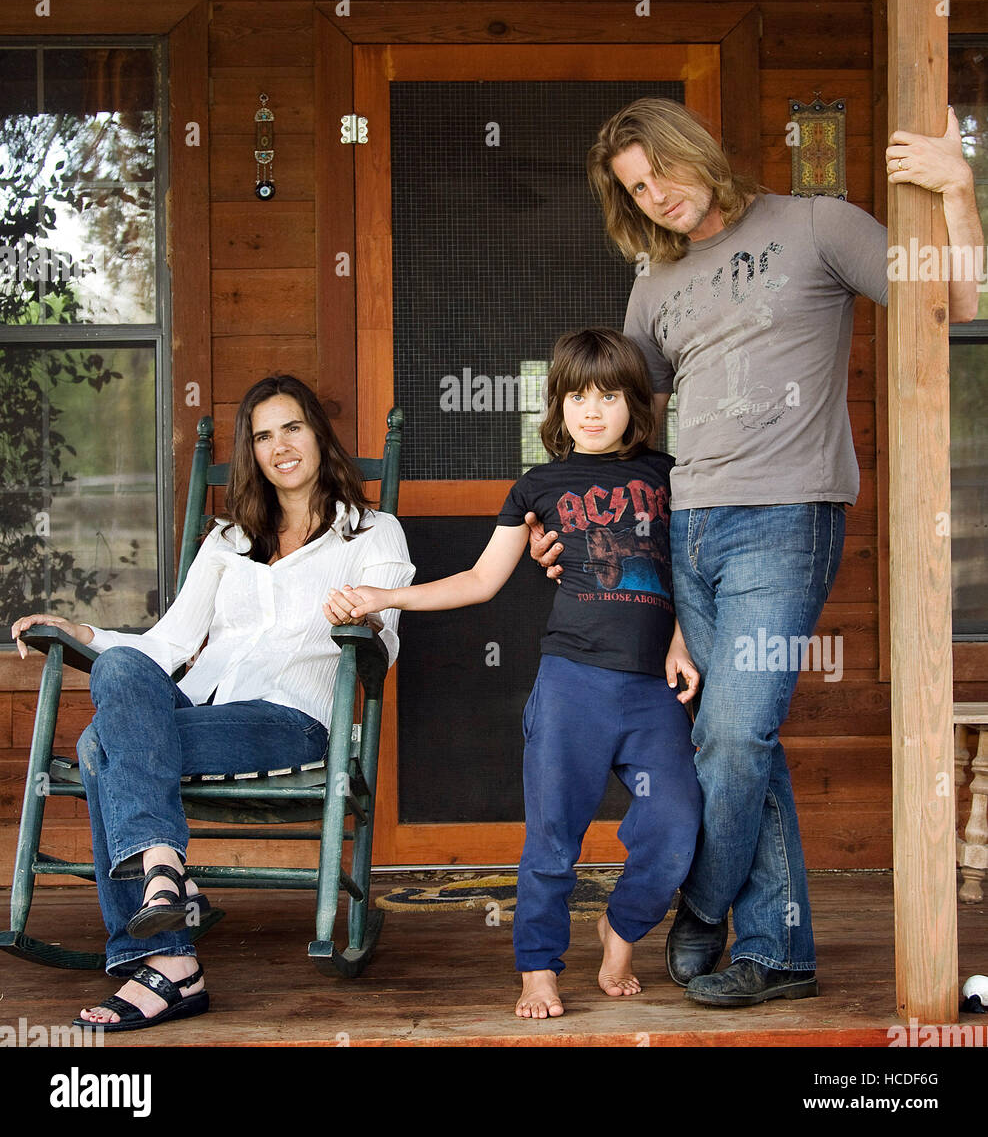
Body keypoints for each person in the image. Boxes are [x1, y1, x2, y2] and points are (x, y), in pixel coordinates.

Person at [527, 99, 984, 1008]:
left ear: (698, 150)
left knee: (733, 734)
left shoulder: (818, 225)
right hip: (682, 527)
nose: (656, 197)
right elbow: (622, 422)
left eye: (661, 171)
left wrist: (960, 189)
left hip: (785, 516)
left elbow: (957, 301)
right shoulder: (656, 280)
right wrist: (574, 529)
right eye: (635, 189)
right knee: (743, 738)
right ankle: (776, 948)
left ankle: (700, 904)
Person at [11, 374, 413, 1032]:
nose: (280, 446)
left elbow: (383, 646)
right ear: (250, 452)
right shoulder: (227, 541)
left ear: (318, 434)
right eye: (262, 436)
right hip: (199, 709)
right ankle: (167, 881)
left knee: (97, 745)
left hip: (288, 719)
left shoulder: (372, 534)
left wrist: (363, 619)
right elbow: (168, 644)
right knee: (117, 666)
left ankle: (164, 950)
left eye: (293, 427)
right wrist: (87, 634)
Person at [329, 327, 702, 1020]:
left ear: (637, 406)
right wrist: (385, 597)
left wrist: (681, 641)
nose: (593, 412)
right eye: (577, 397)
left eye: (610, 397)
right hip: (573, 686)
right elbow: (479, 579)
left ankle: (620, 929)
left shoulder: (668, 475)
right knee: (553, 837)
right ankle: (537, 968)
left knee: (677, 819)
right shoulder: (539, 485)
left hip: (652, 687)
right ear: (555, 407)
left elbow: (688, 576)